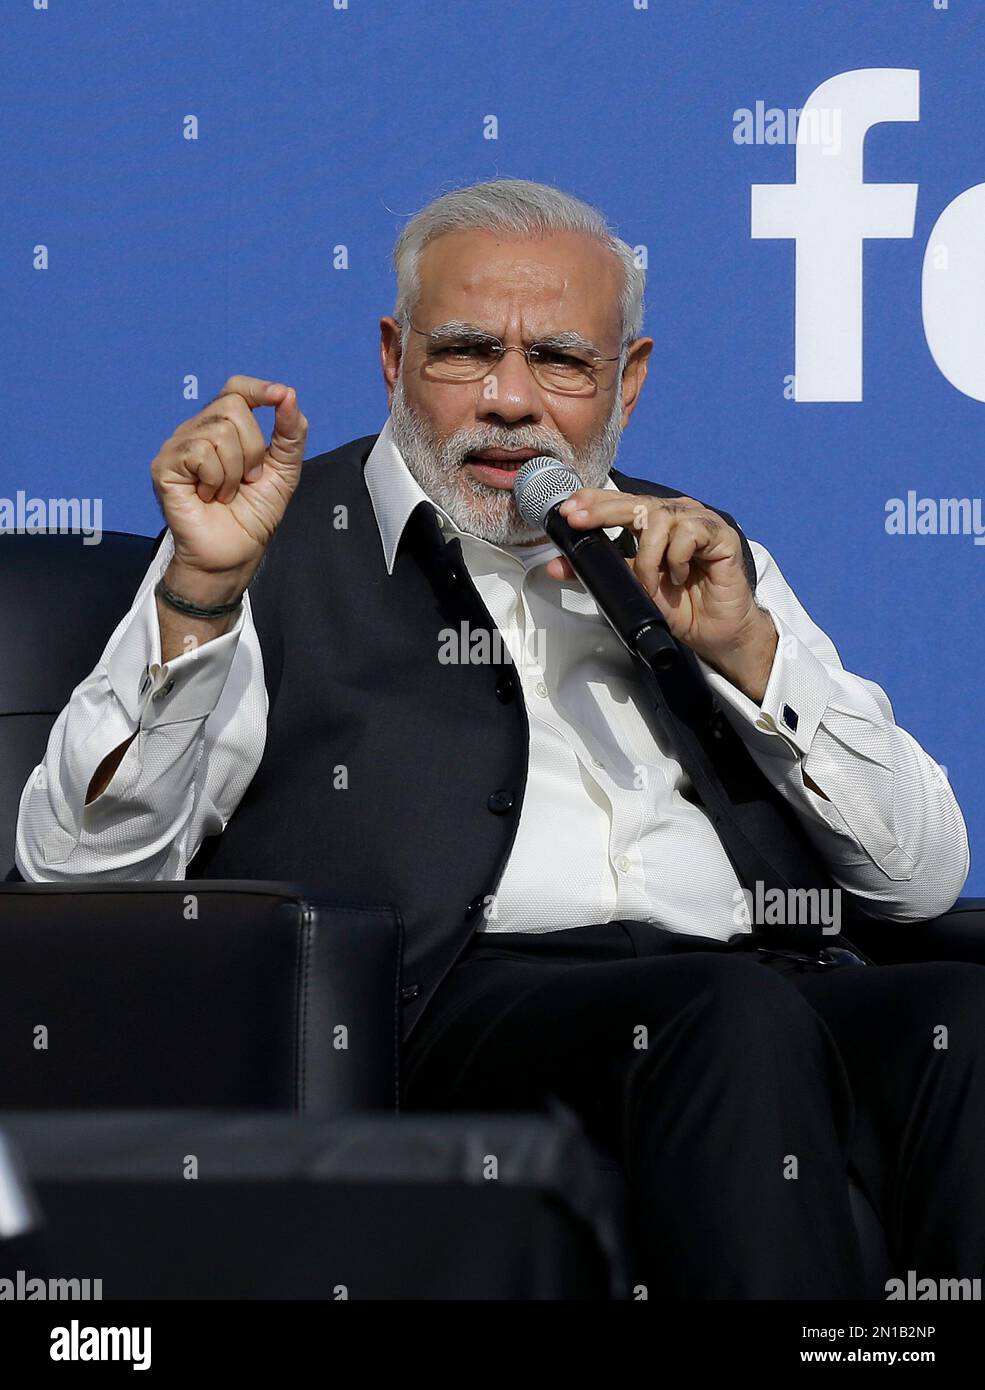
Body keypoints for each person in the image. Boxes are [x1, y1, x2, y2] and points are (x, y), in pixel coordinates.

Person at [13, 179, 978, 1298]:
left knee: (960, 1022)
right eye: (466, 351)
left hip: (750, 987)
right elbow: (77, 880)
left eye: (562, 361)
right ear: (391, 356)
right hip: (458, 1017)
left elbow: (921, 881)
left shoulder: (701, 551)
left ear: (630, 380)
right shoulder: (265, 554)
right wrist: (198, 591)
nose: (511, 399)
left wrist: (748, 647)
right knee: (730, 1022)